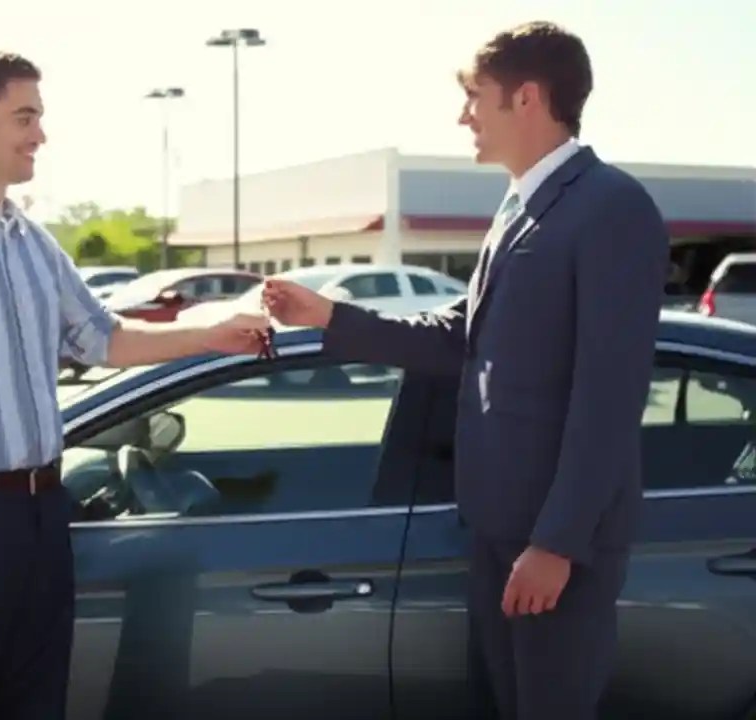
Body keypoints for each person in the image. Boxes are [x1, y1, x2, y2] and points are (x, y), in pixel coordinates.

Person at [263, 21, 668, 720]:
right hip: (497, 530)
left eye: (475, 96)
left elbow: (608, 397)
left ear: (527, 97)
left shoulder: (611, 208)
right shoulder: (520, 208)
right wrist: (328, 316)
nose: (464, 116)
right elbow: (461, 340)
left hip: (551, 546)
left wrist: (556, 542)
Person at [0, 50, 270, 720]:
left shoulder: (35, 244)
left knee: (36, 703)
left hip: (45, 516)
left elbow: (104, 338)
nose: (40, 134)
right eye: (25, 117)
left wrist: (211, 334)